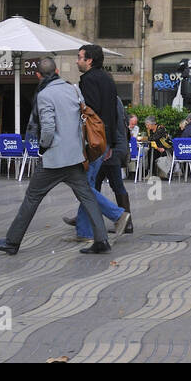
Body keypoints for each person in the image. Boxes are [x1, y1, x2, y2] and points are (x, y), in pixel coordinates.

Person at [0, 57, 123, 255]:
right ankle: (101, 240)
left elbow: (48, 128)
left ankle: (12, 241)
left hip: (53, 159)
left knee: (32, 197)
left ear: (38, 75)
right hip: (75, 156)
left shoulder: (44, 94)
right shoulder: (74, 90)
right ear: (58, 71)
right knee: (87, 197)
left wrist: (43, 147)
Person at [70, 44, 132, 237]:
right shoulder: (108, 79)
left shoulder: (88, 80)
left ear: (89, 60)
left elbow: (92, 110)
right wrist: (111, 143)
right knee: (86, 184)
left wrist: (78, 105)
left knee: (85, 186)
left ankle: (117, 215)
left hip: (93, 140)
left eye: (80, 57)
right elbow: (113, 115)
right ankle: (84, 231)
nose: (77, 60)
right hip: (105, 140)